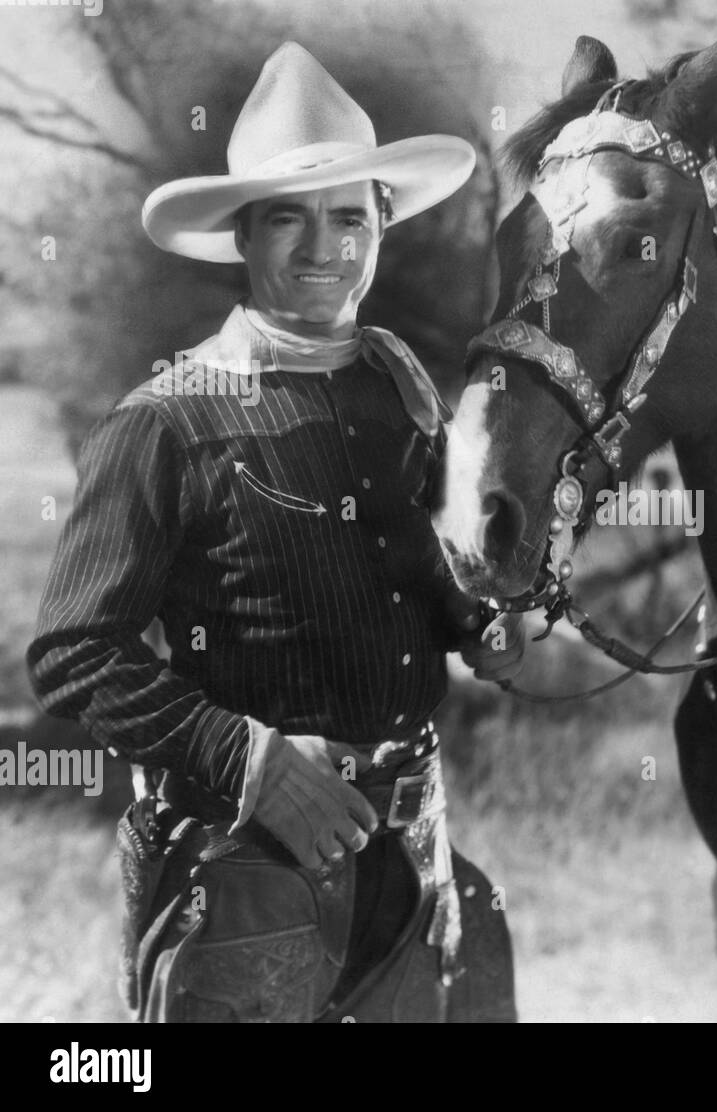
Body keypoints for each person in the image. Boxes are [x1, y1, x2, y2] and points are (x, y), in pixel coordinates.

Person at [27, 42, 522, 1022]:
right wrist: (246, 759)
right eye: (289, 219)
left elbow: (421, 577)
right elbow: (75, 651)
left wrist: (484, 624)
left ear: (381, 224)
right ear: (242, 239)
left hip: (410, 854)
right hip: (244, 876)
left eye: (349, 216)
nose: (323, 247)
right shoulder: (163, 424)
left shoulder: (403, 401)